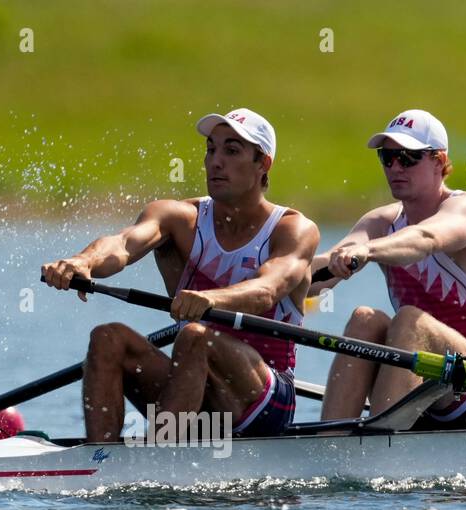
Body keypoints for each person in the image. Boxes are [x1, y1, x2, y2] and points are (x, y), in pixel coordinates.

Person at [42, 108, 319, 442]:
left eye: (231, 151)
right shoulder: (177, 217)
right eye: (211, 149)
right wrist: (82, 262)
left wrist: (210, 300)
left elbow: (267, 290)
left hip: (264, 401)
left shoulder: (293, 229)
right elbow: (123, 245)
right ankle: (102, 457)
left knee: (195, 336)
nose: (216, 161)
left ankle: (156, 456)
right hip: (192, 393)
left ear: (263, 164)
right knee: (107, 337)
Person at [312, 109, 466, 428]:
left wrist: (367, 249)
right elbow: (320, 274)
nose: (395, 167)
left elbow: (426, 237)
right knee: (364, 320)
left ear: (439, 161)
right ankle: (327, 447)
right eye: (387, 157)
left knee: (410, 320)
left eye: (408, 157)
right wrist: (273, 280)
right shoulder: (381, 222)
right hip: (425, 384)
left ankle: (383, 448)